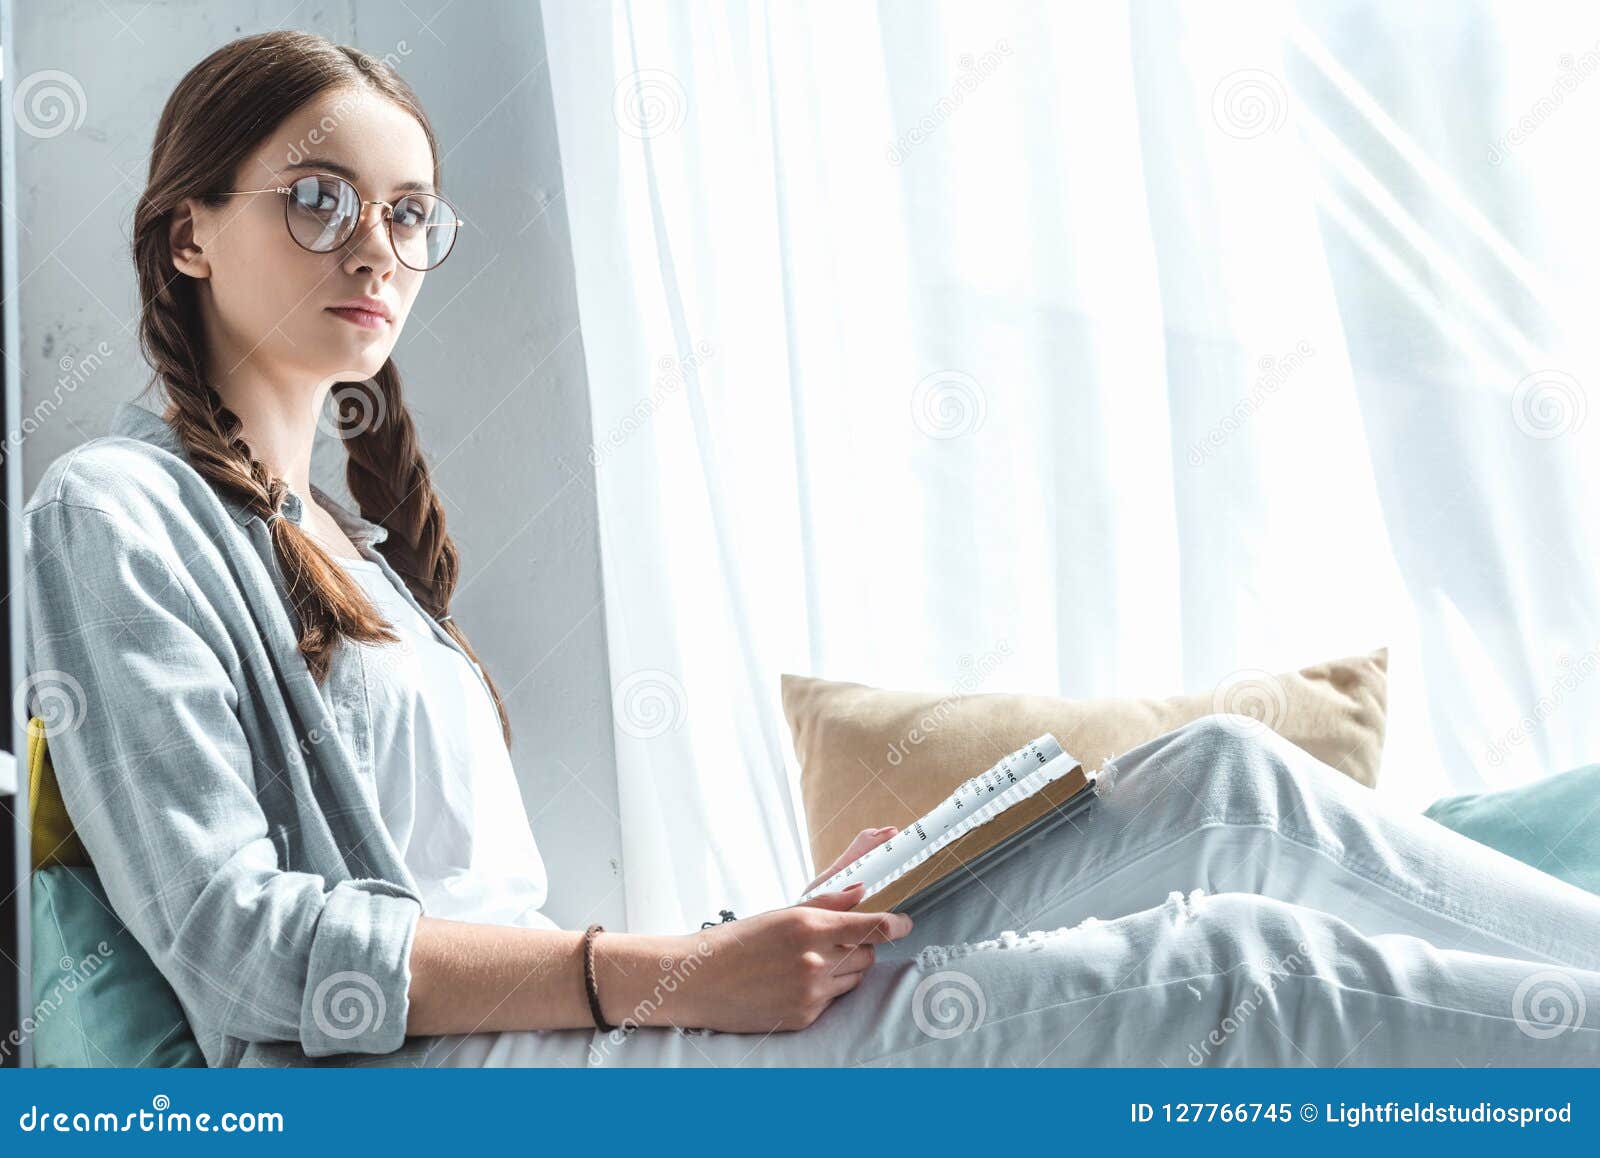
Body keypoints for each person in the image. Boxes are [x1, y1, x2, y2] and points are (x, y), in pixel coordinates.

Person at [22, 31, 1599, 1069]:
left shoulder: (354, 549)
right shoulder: (115, 512)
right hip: (438, 1081)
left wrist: (714, 948)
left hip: (591, 1008)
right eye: (315, 198)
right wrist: (655, 973)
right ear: (187, 230)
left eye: (410, 211)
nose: (375, 243)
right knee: (1237, 975)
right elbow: (238, 948)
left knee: (1214, 782)